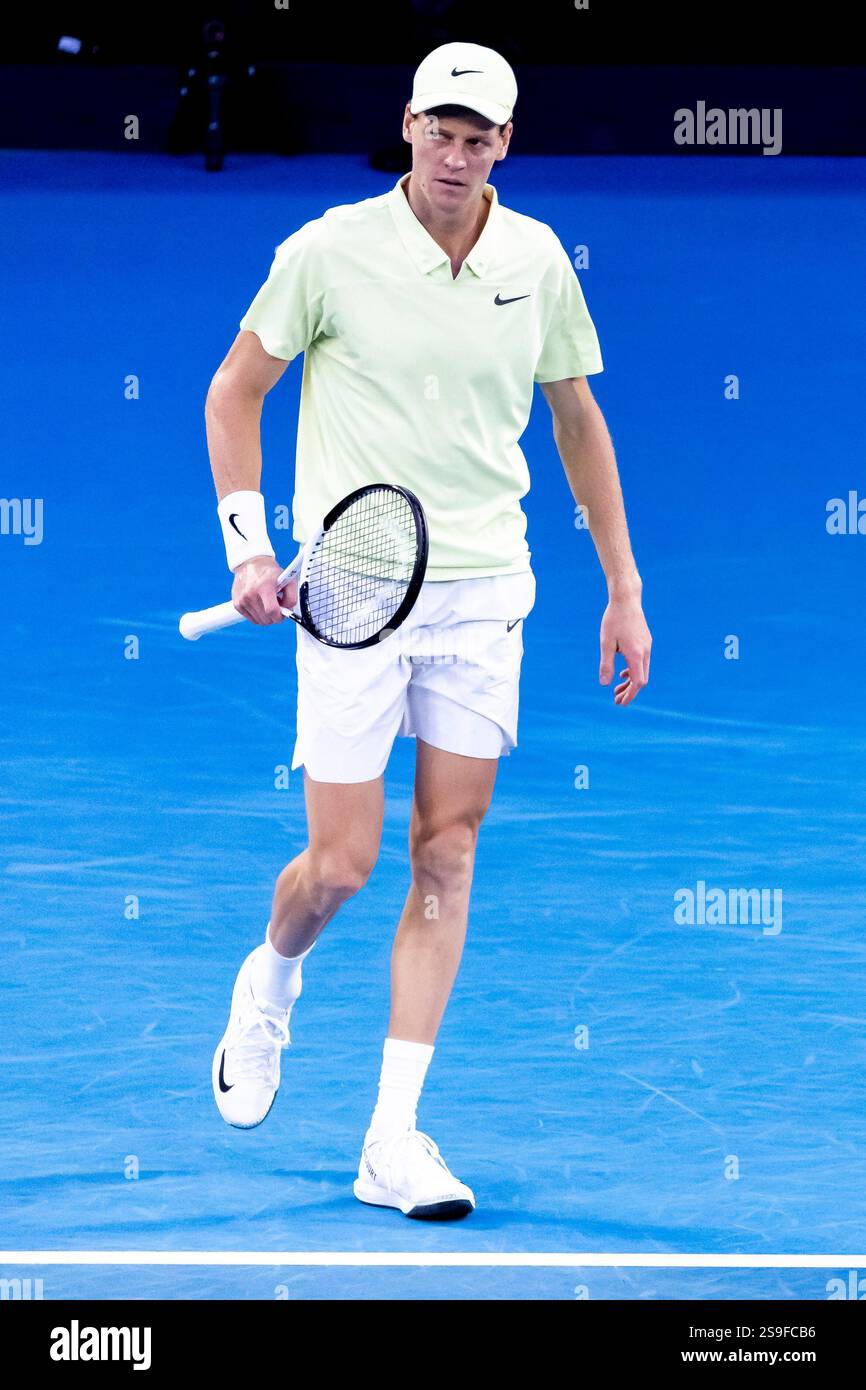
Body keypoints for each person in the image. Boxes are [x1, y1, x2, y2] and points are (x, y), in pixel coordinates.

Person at [204, 40, 652, 1220]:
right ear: (407, 127)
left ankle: (391, 1140)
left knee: (446, 853)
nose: (456, 155)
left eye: (479, 137)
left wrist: (622, 584)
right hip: (353, 587)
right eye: (439, 132)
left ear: (505, 145)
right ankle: (271, 977)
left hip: (480, 591)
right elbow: (233, 390)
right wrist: (249, 545)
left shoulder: (537, 259)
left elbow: (576, 419)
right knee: (340, 867)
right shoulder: (328, 252)